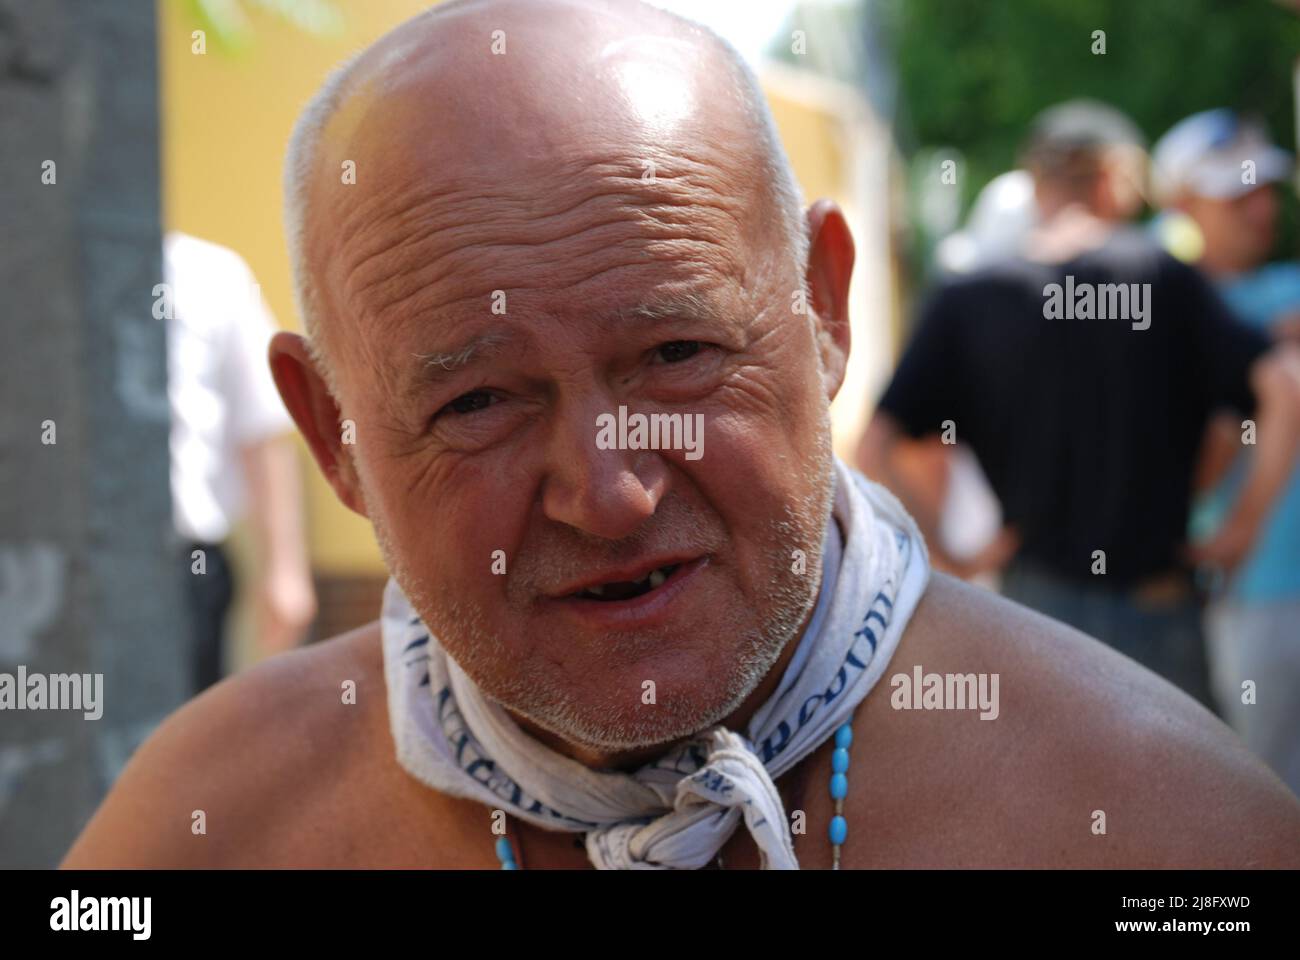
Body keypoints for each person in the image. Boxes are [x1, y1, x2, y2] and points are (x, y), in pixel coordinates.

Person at [63, 2, 1300, 870]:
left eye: (676, 355)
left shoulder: (1164, 830)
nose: (604, 491)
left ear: (821, 310)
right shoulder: (203, 828)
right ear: (333, 435)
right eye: (478, 403)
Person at [857, 100, 1300, 712]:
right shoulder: (1166, 279)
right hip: (1158, 608)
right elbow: (1285, 385)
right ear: (1112, 175)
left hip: (1031, 616)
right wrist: (1241, 530)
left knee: (1044, 804)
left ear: (1037, 181)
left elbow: (875, 445)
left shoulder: (970, 296)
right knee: (1181, 803)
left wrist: (949, 557)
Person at [1152, 109, 1300, 793]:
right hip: (1238, 598)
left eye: (1265, 190)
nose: (1262, 207)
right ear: (1182, 206)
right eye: (1236, 195)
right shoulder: (1155, 305)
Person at [164, 231, 318, 691]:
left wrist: (285, 569)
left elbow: (262, 429)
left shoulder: (207, 273)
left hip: (182, 570)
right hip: (37, 564)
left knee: (179, 741)